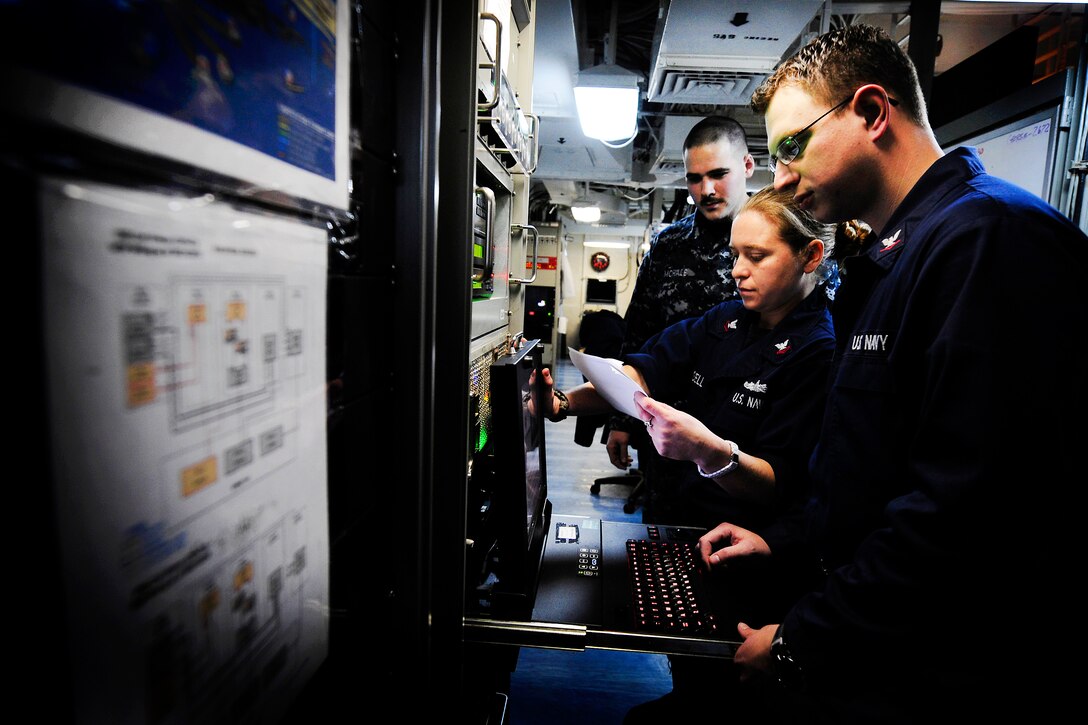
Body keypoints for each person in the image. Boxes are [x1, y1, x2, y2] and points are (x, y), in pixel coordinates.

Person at [694, 23, 1085, 723]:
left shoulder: (989, 240)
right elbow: (869, 472)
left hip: (942, 681)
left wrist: (801, 640)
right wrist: (783, 540)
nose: (780, 177)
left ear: (872, 112)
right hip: (877, 652)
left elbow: (958, 516)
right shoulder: (893, 260)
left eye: (792, 146)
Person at [534, 187, 866, 718]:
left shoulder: (819, 352)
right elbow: (642, 371)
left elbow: (782, 484)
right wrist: (563, 401)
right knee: (688, 676)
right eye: (736, 254)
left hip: (748, 564)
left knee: (726, 694)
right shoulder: (727, 319)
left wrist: (710, 453)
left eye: (757, 257)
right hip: (685, 530)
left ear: (811, 257)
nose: (738, 270)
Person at [605, 115, 754, 524]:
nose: (706, 190)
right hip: (668, 441)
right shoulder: (668, 246)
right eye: (694, 178)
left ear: (747, 166)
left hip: (747, 441)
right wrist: (621, 420)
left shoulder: (775, 241)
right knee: (663, 552)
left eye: (719, 174)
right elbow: (638, 335)